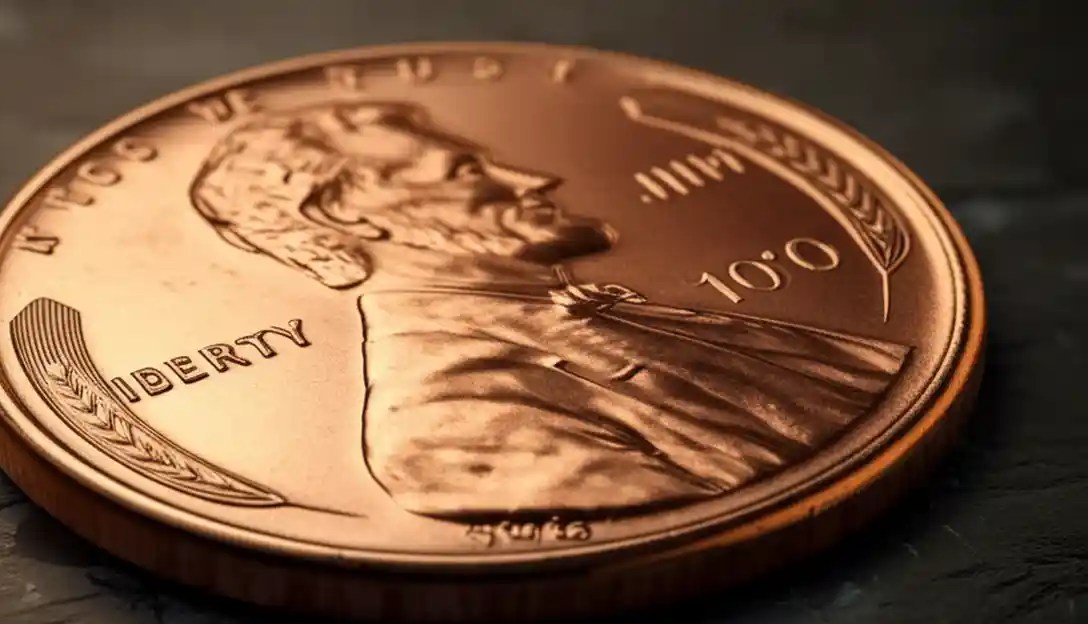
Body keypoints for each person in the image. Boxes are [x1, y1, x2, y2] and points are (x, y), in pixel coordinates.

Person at [190, 102, 909, 520]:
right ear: (355, 219)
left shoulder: (611, 317)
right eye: (468, 172)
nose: (535, 176)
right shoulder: (461, 420)